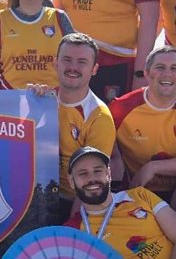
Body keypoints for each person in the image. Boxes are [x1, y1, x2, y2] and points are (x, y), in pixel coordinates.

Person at [109, 46, 176, 236]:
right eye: (160, 67)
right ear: (147, 73)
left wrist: (153, 167)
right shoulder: (121, 108)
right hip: (140, 194)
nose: (167, 73)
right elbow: (108, 156)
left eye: (174, 68)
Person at [26, 33, 117, 224]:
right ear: (56, 63)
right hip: (34, 194)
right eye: (67, 60)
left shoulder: (99, 116)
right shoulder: (41, 99)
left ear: (94, 69)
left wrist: (69, 228)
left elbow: (89, 184)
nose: (73, 67)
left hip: (71, 201)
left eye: (82, 62)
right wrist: (27, 103)